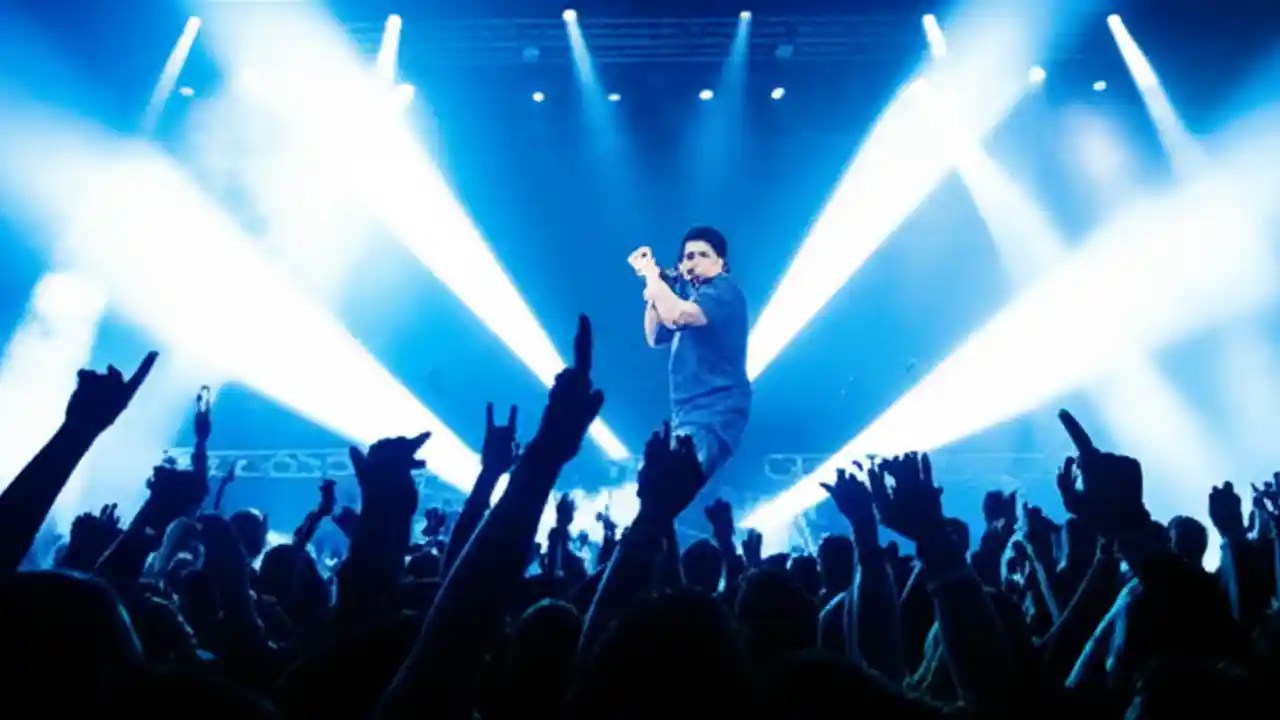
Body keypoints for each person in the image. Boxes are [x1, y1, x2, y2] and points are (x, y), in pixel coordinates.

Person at [628, 226, 751, 479]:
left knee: (673, 486)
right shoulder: (690, 298)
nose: (692, 261)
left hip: (715, 410)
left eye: (702, 255)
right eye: (687, 257)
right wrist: (656, 287)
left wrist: (651, 275)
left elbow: (678, 315)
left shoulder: (724, 291)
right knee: (669, 491)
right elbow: (654, 336)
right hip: (687, 412)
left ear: (721, 262)